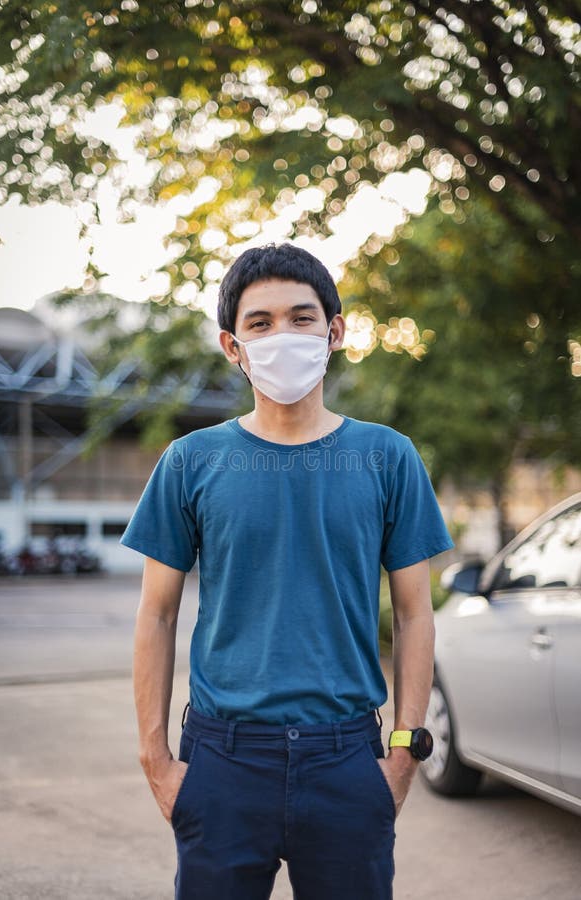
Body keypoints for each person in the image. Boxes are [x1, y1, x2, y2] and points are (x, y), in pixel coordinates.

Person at [120, 242, 454, 900]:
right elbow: (156, 615)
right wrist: (155, 759)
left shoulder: (387, 457)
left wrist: (402, 754)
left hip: (347, 758)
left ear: (334, 332)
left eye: (302, 318)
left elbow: (415, 614)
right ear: (232, 345)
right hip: (222, 759)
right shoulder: (191, 461)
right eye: (260, 322)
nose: (283, 335)